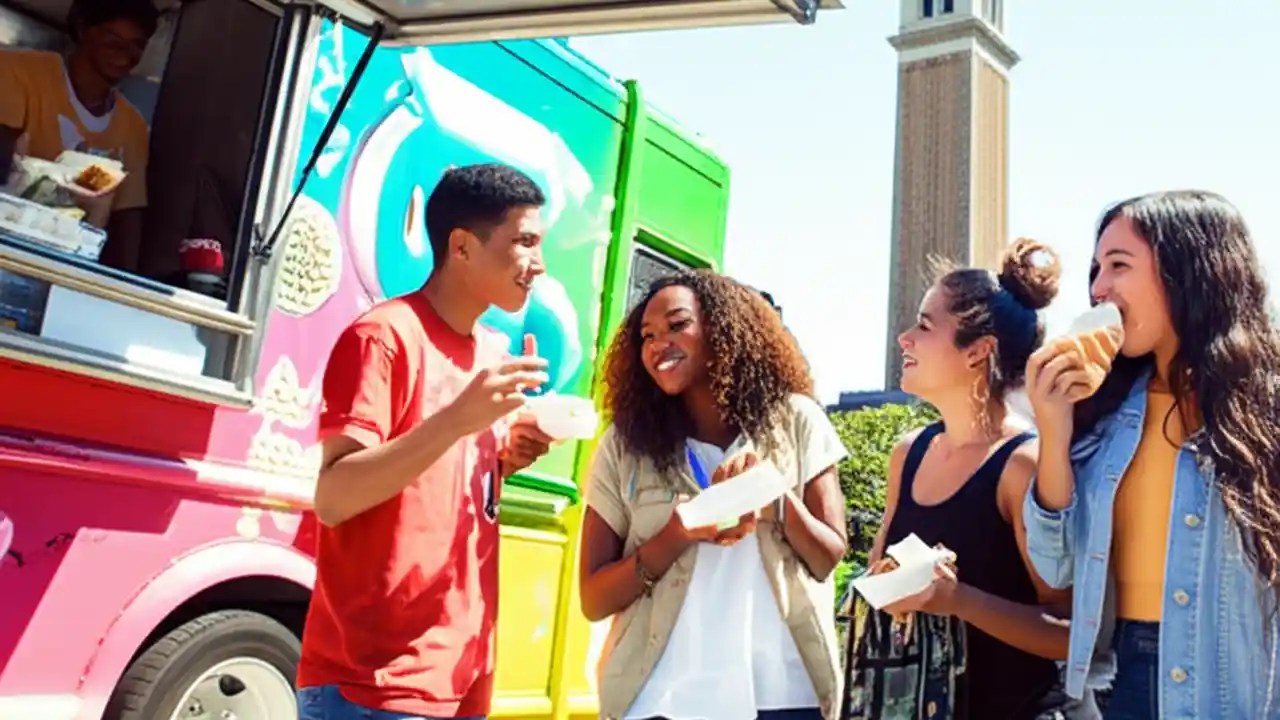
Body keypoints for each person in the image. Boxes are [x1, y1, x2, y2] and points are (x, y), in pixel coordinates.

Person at [296, 163, 558, 720]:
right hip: (374, 683)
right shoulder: (384, 335)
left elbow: (427, 482)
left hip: (463, 670)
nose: (539, 265)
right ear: (461, 247)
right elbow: (334, 497)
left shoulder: (491, 351)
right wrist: (460, 421)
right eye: (524, 242)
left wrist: (505, 459)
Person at [1023, 190, 1280, 719]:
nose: (1099, 289)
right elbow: (1057, 565)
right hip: (1124, 680)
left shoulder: (1265, 410)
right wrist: (1052, 425)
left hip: (1240, 681)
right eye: (1096, 270)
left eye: (1119, 265)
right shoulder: (1105, 412)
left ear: (1191, 271)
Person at [580, 269, 849, 720]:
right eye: (647, 335)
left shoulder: (798, 420)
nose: (658, 344)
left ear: (721, 330)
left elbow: (827, 557)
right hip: (659, 698)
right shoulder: (624, 444)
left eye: (677, 325)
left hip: (780, 696)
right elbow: (594, 599)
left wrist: (773, 495)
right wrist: (677, 534)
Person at [845, 238, 1094, 720]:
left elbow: (1070, 631)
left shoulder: (1023, 465)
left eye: (923, 325)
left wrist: (957, 599)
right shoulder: (909, 453)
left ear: (978, 351)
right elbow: (879, 586)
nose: (905, 338)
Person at [0, 0, 156, 271]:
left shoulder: (132, 125)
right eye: (114, 40)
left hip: (73, 265)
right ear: (83, 30)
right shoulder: (18, 71)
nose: (126, 54)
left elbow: (126, 223)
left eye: (137, 45)